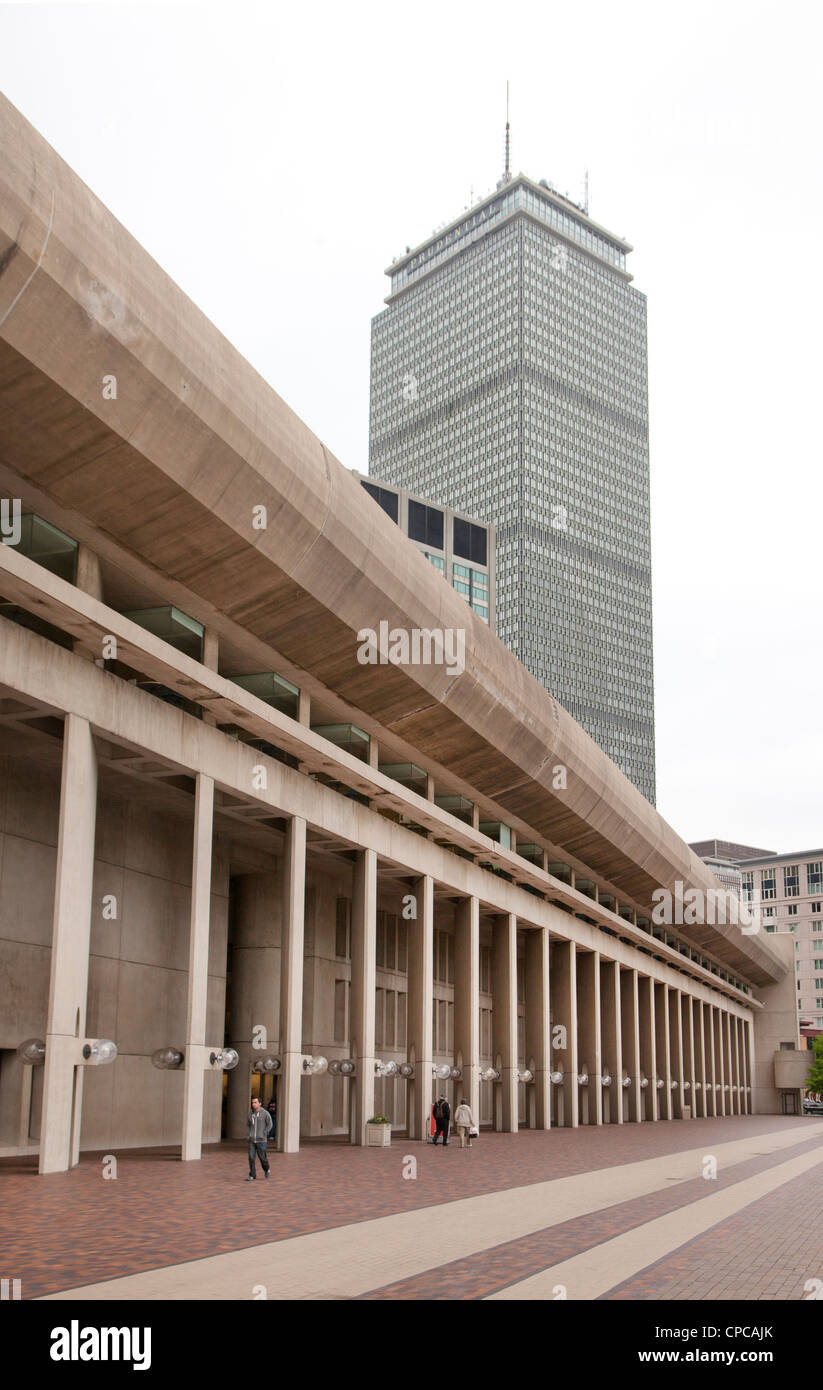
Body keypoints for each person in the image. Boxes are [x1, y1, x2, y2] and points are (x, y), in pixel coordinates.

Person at [246, 1096, 273, 1180]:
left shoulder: (265, 1113)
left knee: (262, 1158)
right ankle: (252, 1175)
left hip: (262, 1140)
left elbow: (270, 1124)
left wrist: (265, 1132)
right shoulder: (250, 1114)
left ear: (260, 1103)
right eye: (252, 1102)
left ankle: (266, 1169)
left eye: (255, 1102)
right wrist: (249, 1134)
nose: (253, 1104)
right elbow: (248, 1124)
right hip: (252, 1140)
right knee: (251, 1157)